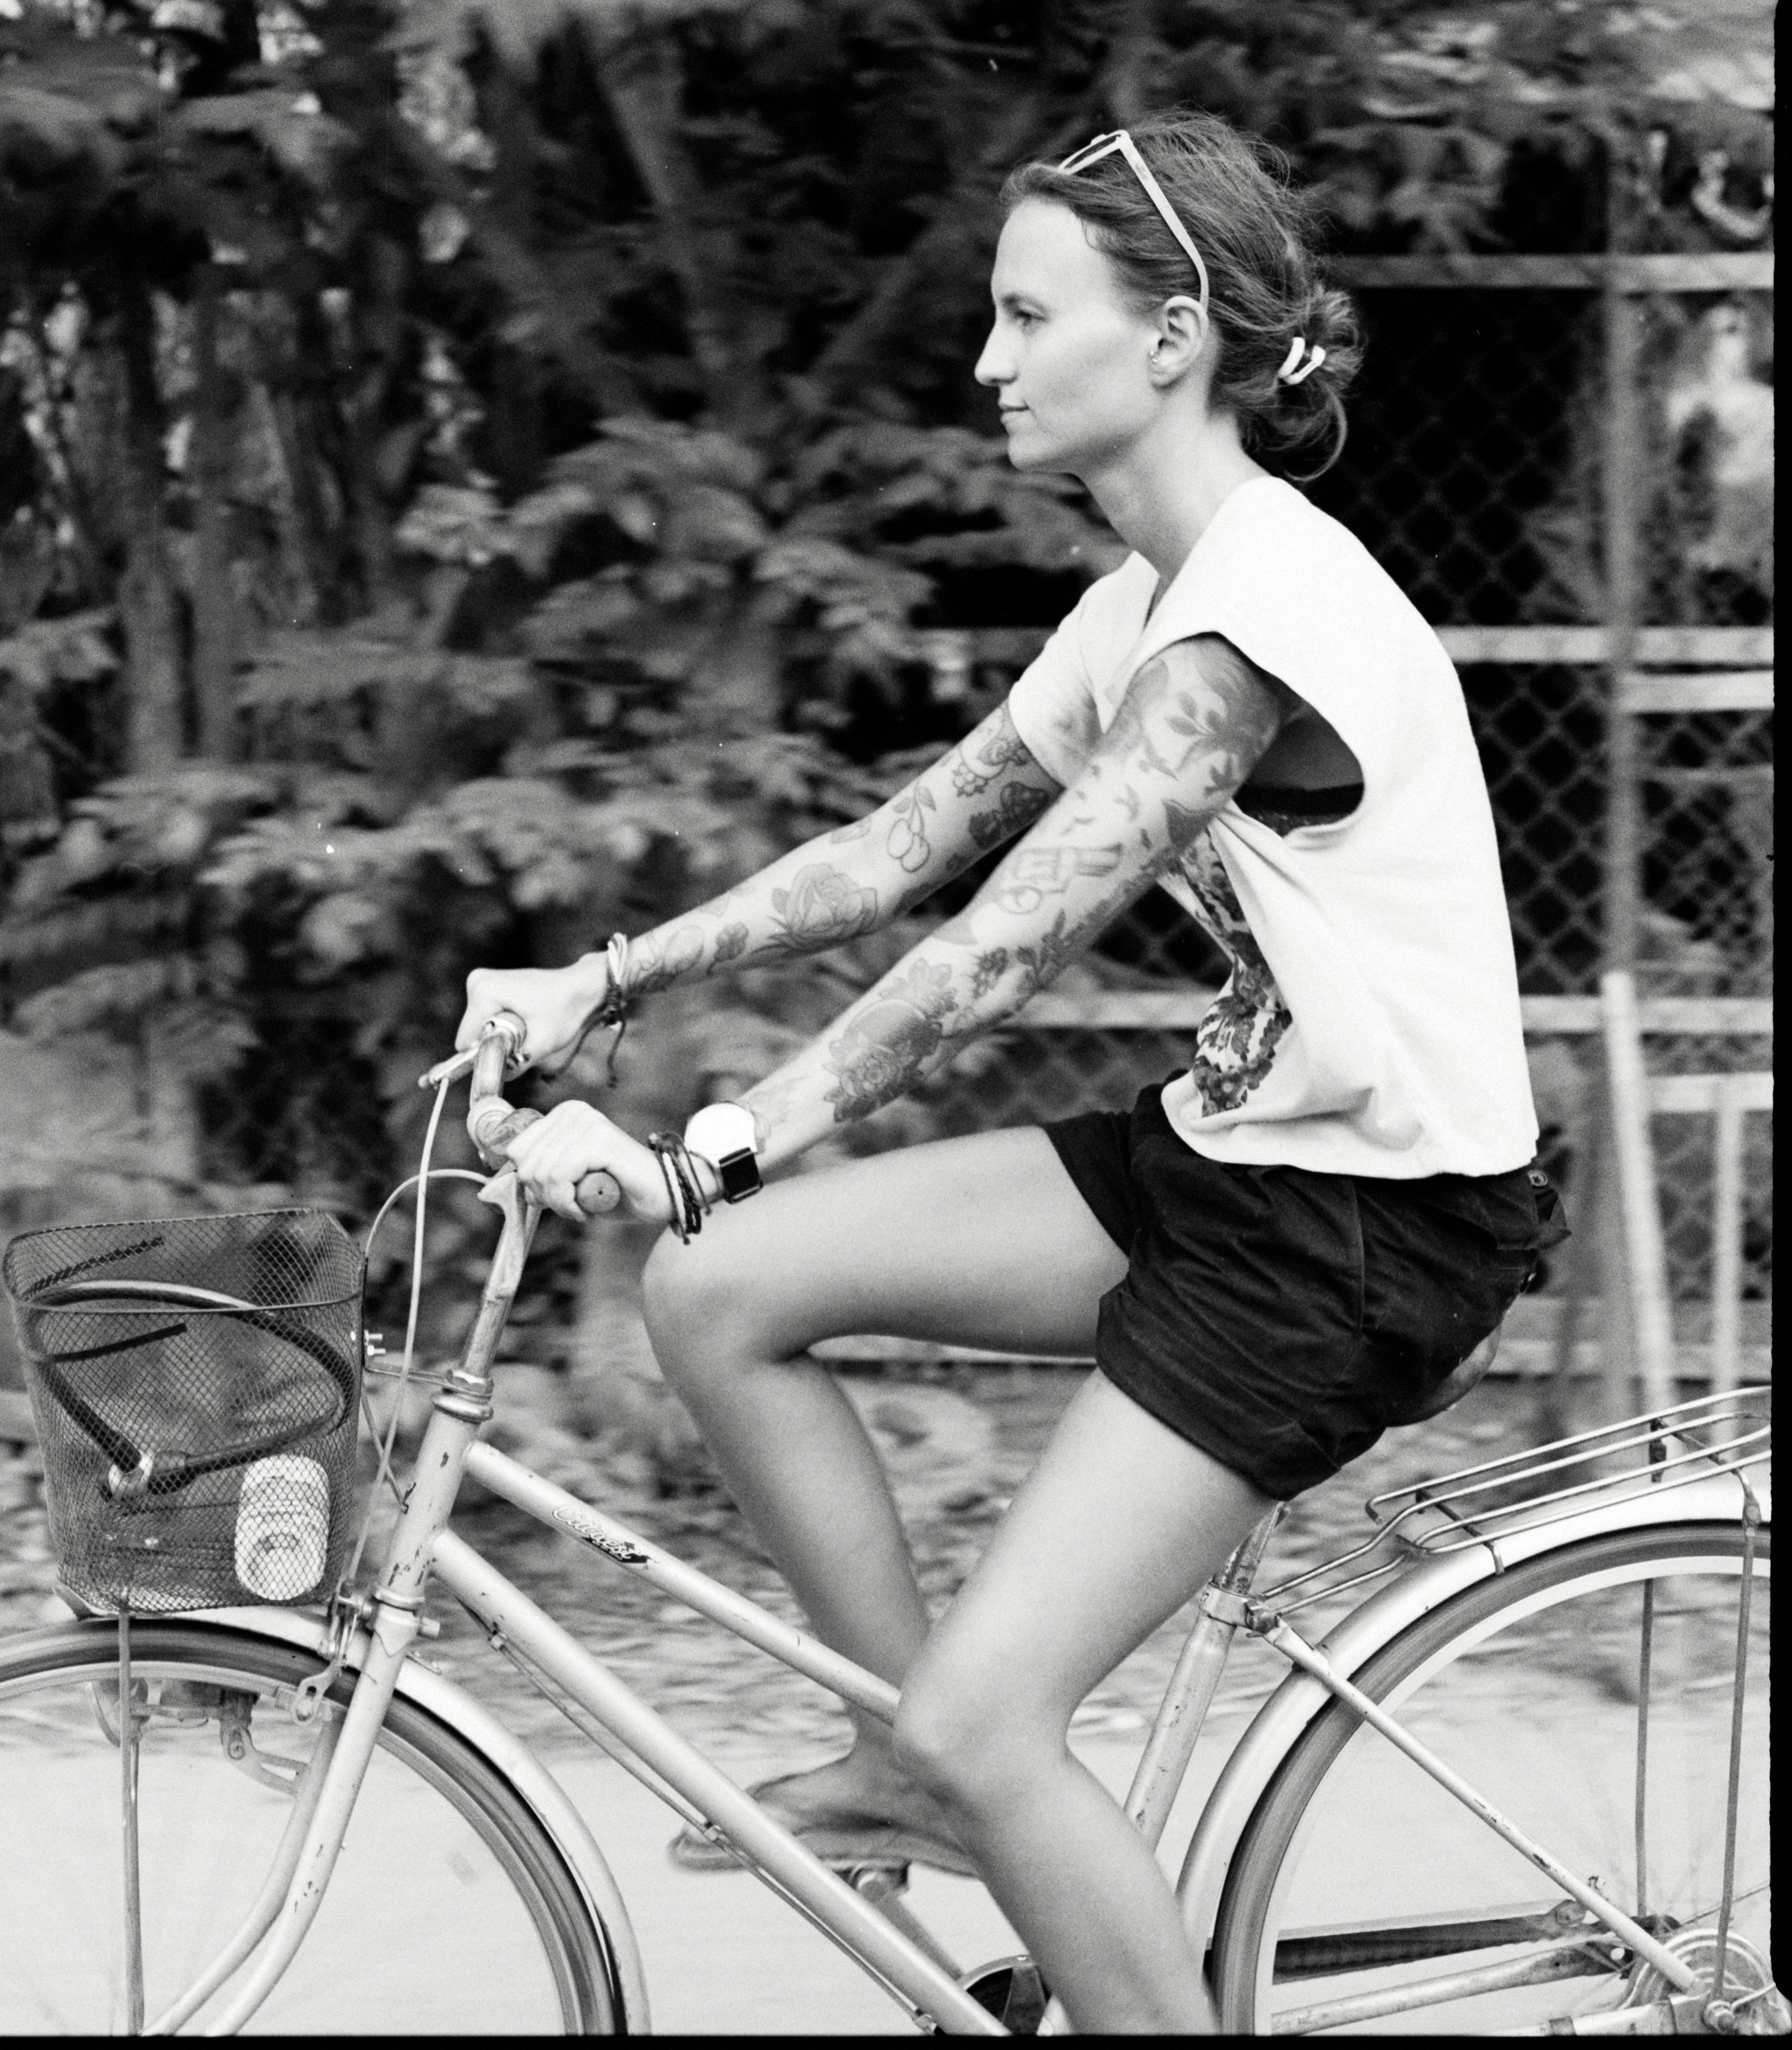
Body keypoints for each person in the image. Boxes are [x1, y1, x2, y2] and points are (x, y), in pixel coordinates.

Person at [452, 110, 1565, 2033]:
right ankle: (916, 1765)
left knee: (999, 1707)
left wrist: (715, 1138)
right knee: (720, 1289)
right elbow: (895, 854)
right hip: (1233, 1156)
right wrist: (602, 975)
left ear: (1166, 338)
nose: (982, 362)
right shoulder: (1138, 600)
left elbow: (996, 945)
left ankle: (961, 1757)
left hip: (1365, 1227)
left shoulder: (1255, 621)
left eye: (1018, 312)